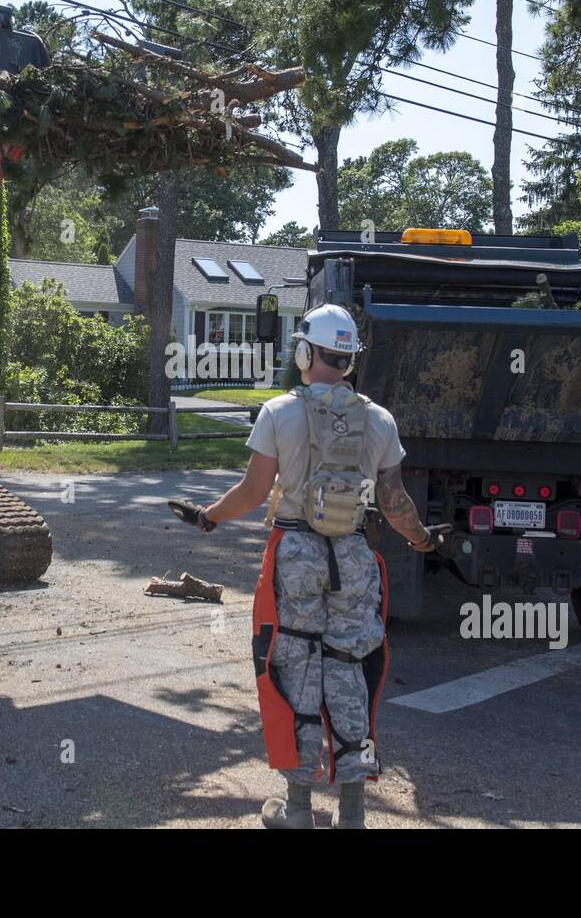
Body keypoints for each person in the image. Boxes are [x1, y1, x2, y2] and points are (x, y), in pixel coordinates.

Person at [188, 304, 440, 829]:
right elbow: (393, 501)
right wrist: (420, 540)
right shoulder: (378, 418)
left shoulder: (278, 412)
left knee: (293, 674)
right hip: (351, 556)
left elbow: (254, 492)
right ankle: (352, 814)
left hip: (294, 557)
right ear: (348, 360)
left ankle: (298, 811)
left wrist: (209, 517)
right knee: (351, 674)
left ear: (304, 352)